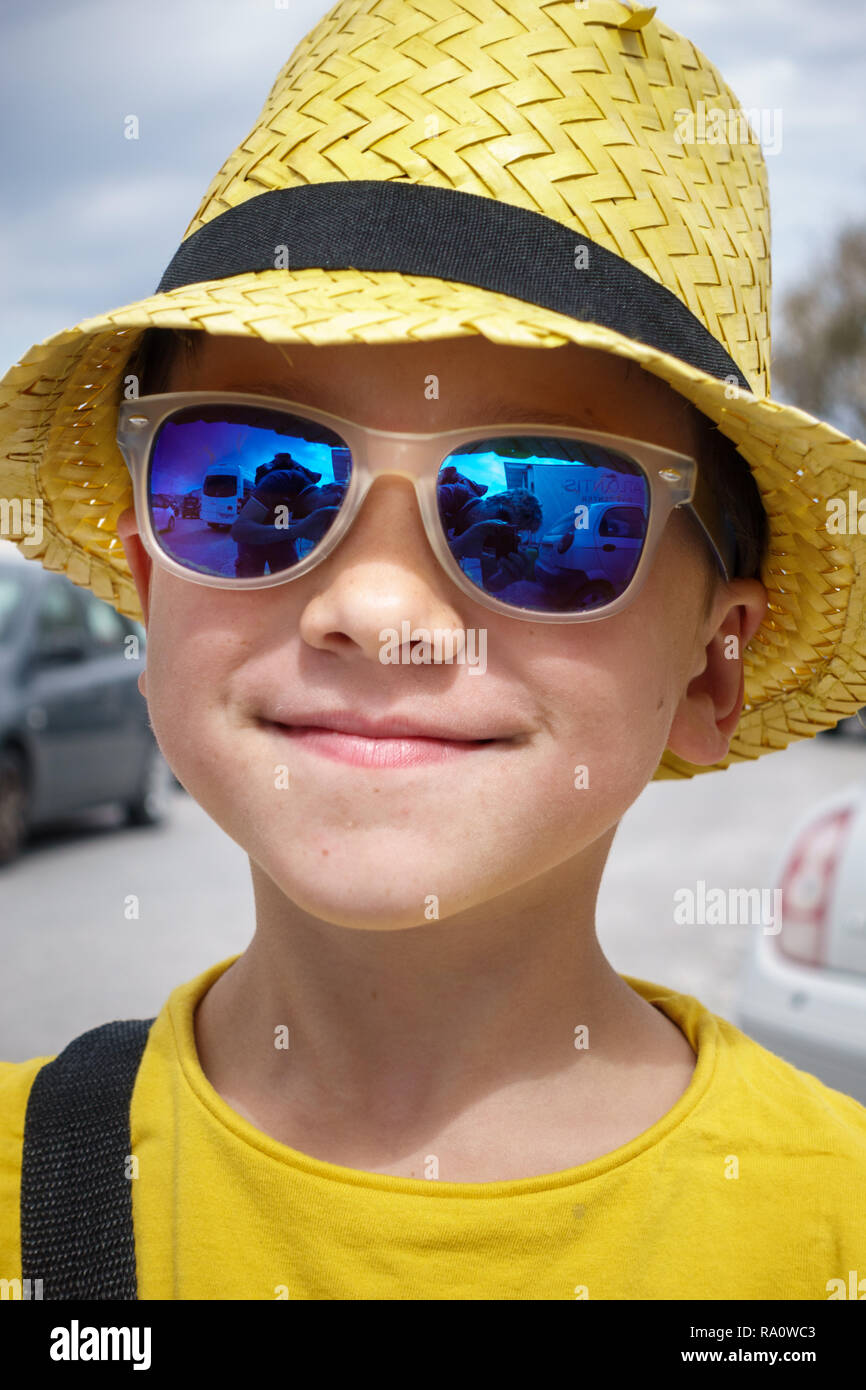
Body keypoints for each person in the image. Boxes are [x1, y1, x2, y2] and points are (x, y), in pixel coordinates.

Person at [1, 0, 865, 1303]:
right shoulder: (26, 1187)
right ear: (144, 577)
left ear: (709, 666)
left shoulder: (830, 1230)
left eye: (546, 511)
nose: (379, 609)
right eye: (254, 483)